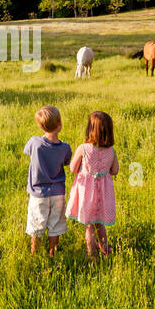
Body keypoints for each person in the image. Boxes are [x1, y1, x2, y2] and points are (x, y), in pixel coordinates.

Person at [65, 111, 118, 258]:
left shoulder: (83, 149)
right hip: (104, 193)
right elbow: (115, 170)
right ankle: (105, 250)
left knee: (89, 225)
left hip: (86, 192)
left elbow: (72, 168)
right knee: (100, 223)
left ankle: (92, 255)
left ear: (90, 129)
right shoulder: (111, 151)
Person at [23, 106, 72, 257]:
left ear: (41, 126)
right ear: (60, 124)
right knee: (56, 224)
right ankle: (52, 252)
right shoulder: (65, 148)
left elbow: (27, 152)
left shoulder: (34, 142)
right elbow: (66, 162)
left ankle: (34, 252)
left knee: (37, 222)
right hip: (58, 192)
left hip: (38, 193)